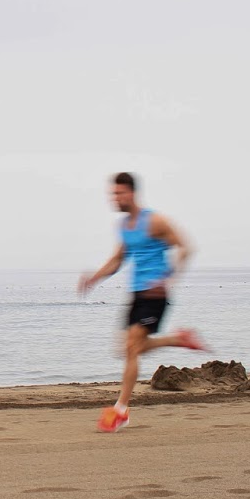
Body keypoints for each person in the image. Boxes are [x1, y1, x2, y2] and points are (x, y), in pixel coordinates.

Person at [78, 172, 206, 432]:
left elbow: (185, 247)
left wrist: (167, 278)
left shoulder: (155, 221)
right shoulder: (125, 227)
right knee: (125, 349)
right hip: (136, 294)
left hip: (155, 294)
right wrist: (94, 278)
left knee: (133, 349)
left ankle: (121, 410)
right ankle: (178, 339)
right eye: (112, 194)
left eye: (119, 193)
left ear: (132, 193)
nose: (114, 198)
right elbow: (118, 260)